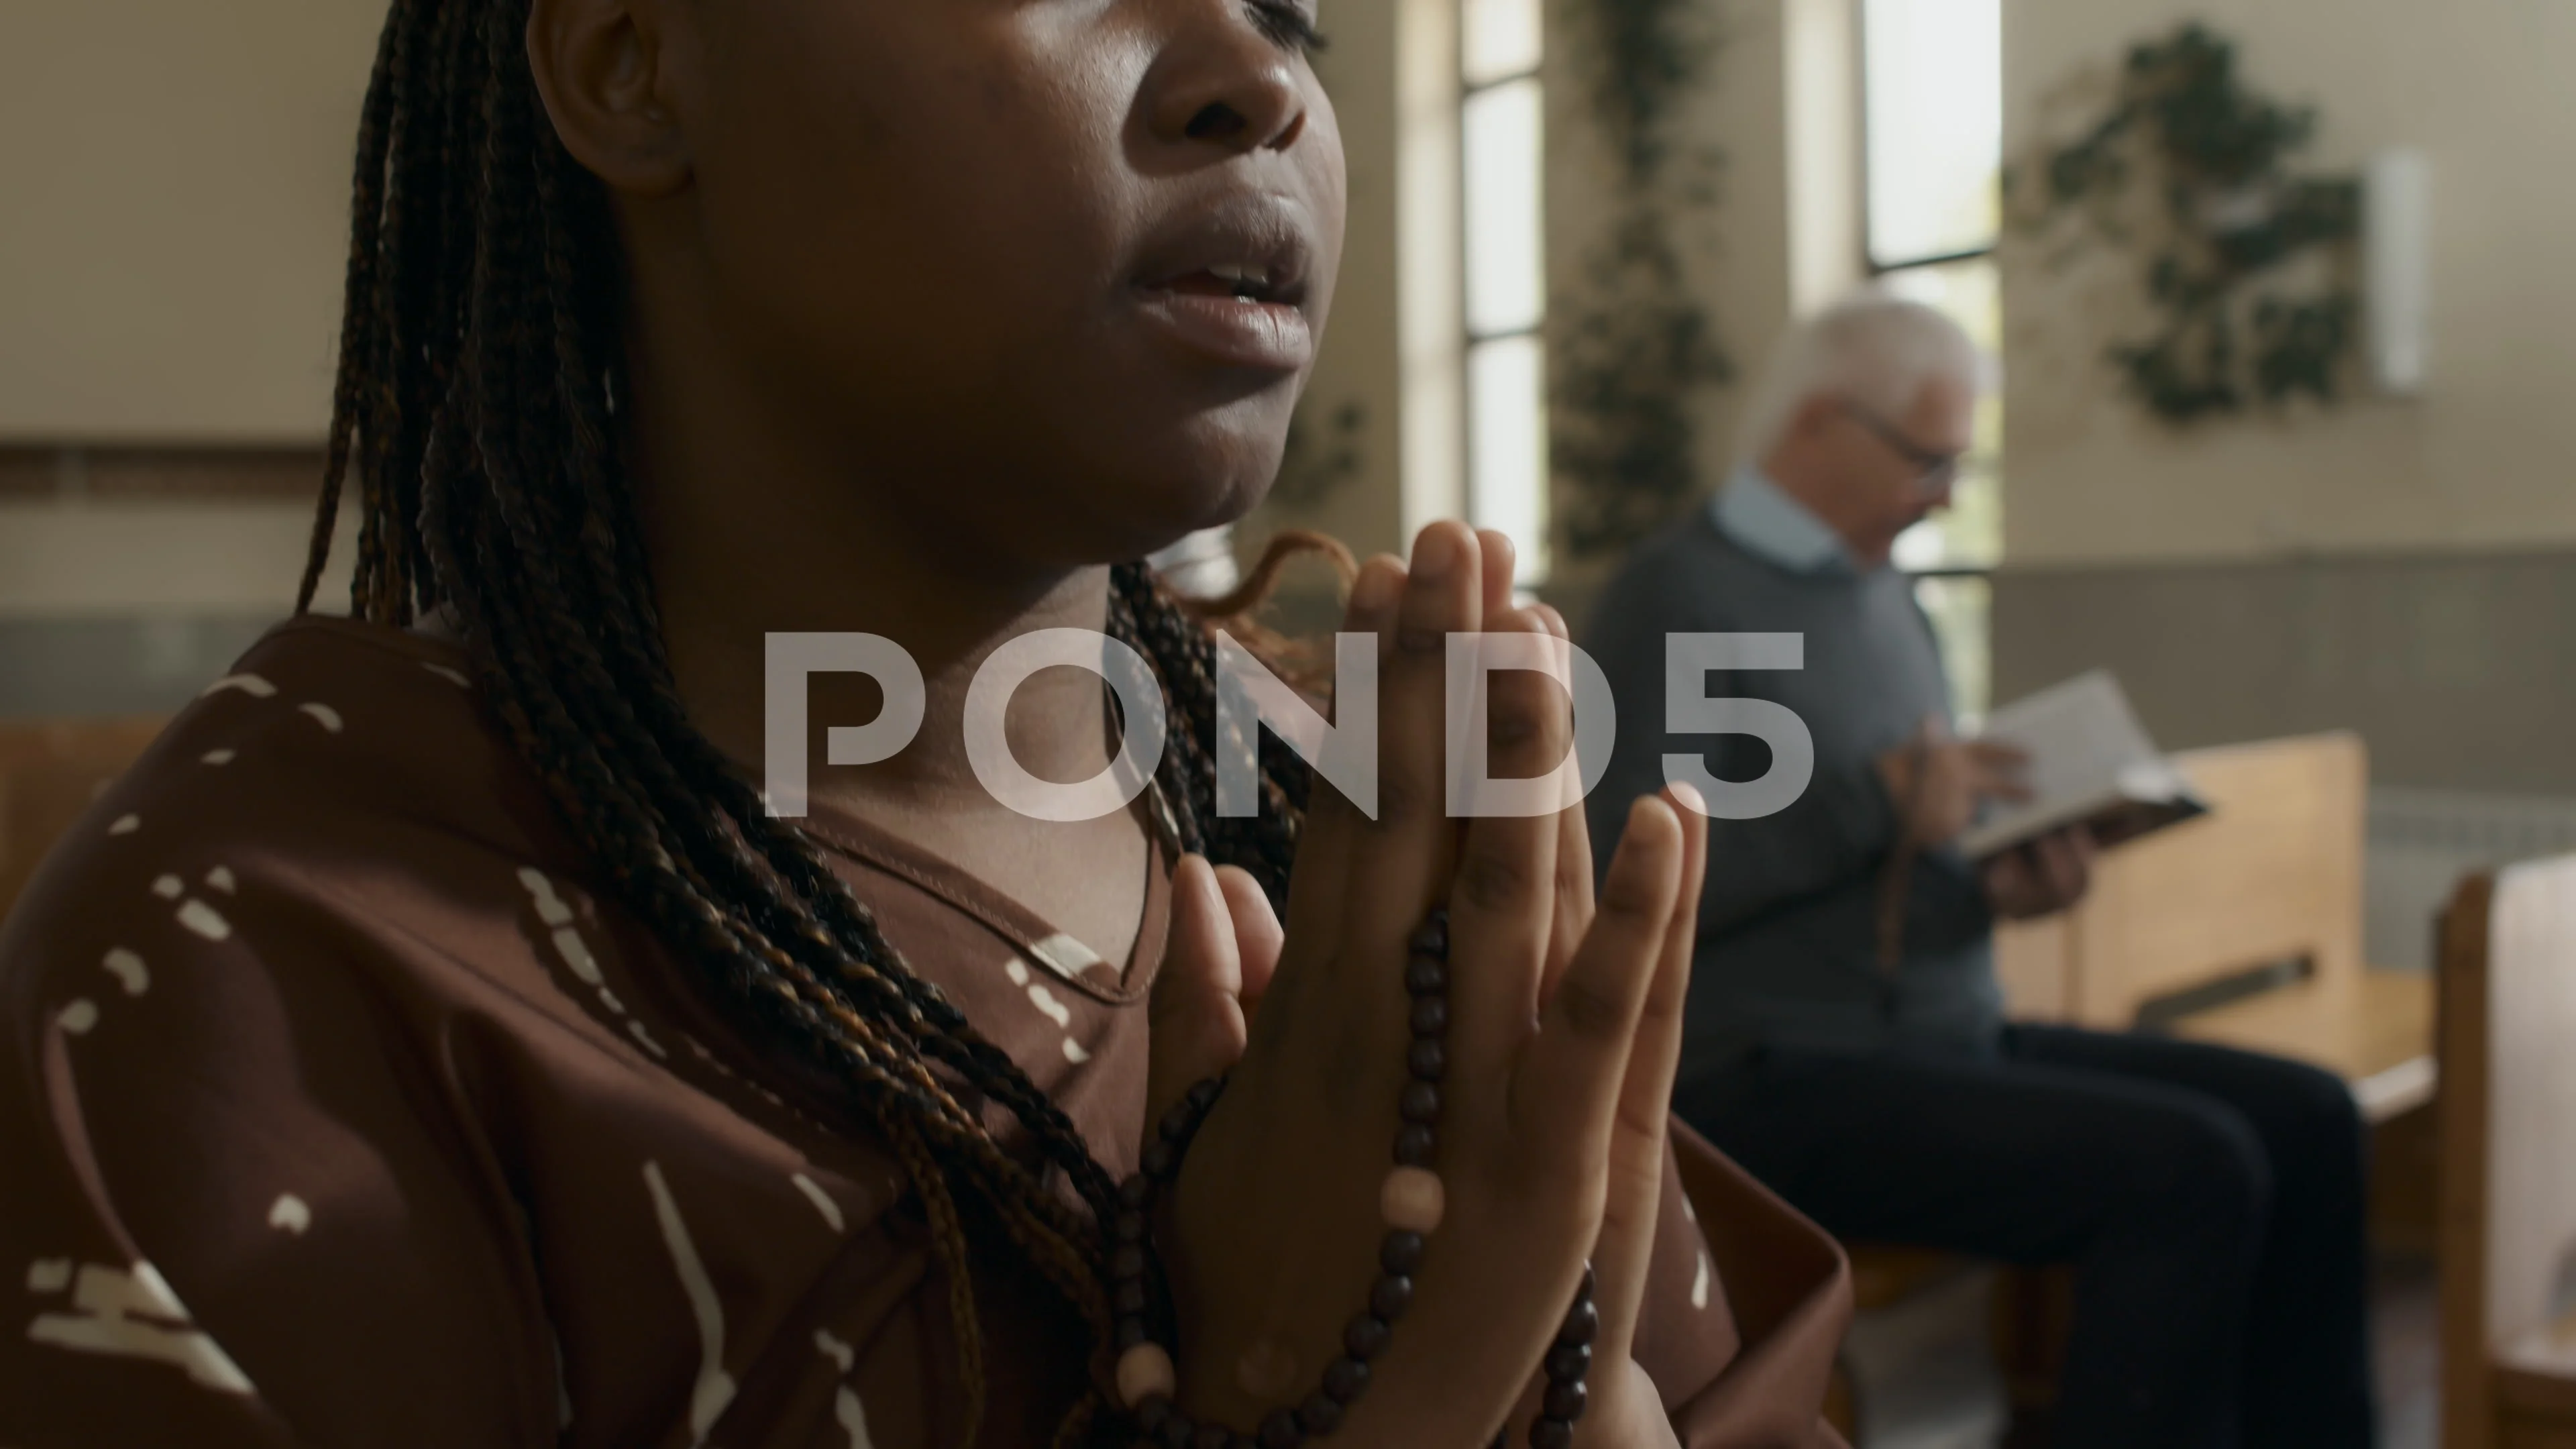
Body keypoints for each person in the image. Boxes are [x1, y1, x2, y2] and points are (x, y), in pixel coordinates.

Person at [0, 1, 1854, 1445]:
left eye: (1291, 8)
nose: (1253, 80)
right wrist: (1339, 1395)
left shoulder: (1337, 815)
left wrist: (1581, 1395)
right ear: (637, 62)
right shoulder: (267, 962)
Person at [1584, 294, 2375, 1448]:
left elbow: (1888, 877)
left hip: (1934, 1033)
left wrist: (1996, 883)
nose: (1948, 496)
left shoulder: (1886, 594)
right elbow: (1633, 868)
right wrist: (1879, 804)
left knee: (2309, 1115)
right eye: (1929, 462)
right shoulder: (1681, 595)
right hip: (1767, 1077)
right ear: (1817, 425)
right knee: (2188, 1172)